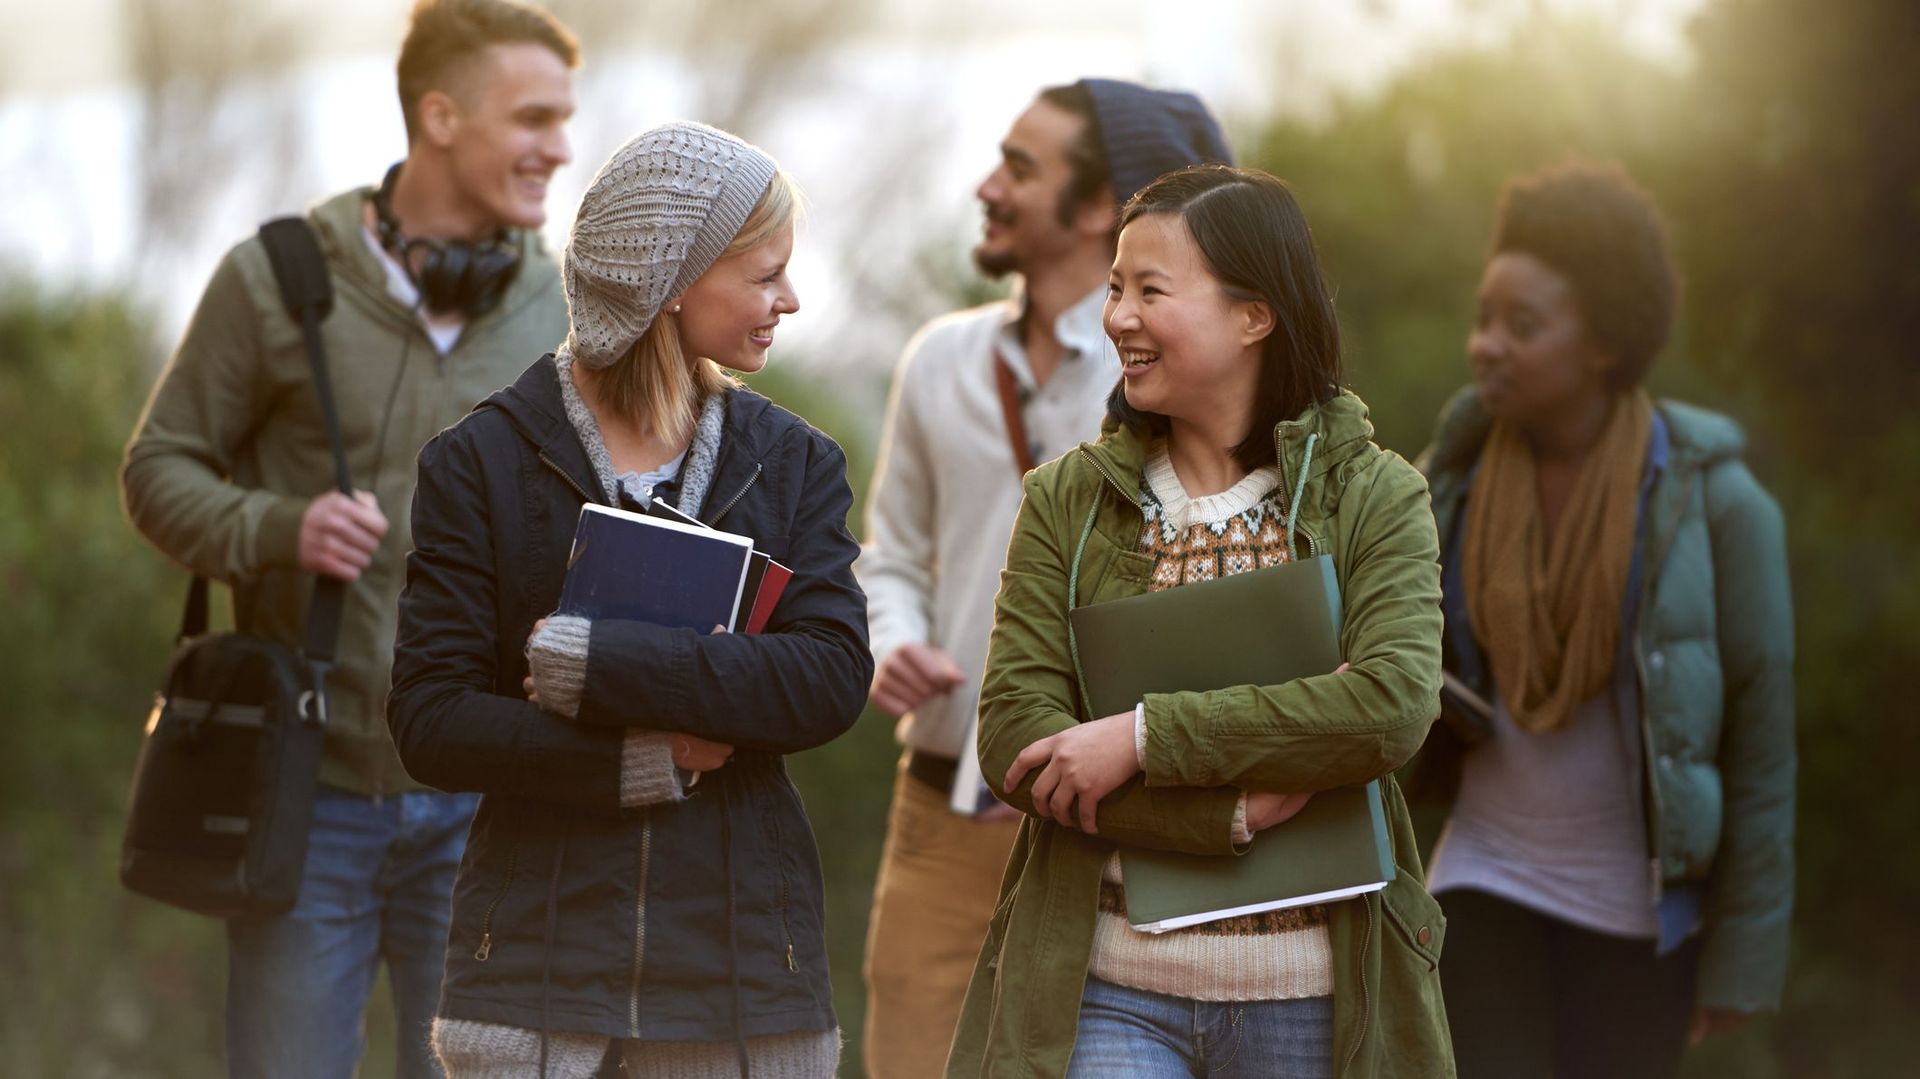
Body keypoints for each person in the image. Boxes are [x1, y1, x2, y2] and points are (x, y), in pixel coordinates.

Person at [119, 2, 578, 1074]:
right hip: (305, 798)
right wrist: (279, 527)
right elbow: (157, 469)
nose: (561, 146)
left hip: (489, 806)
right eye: (534, 117)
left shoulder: (563, 309)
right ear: (441, 115)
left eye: (566, 118)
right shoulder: (275, 280)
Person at [386, 121, 871, 1079]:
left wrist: (599, 663)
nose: (791, 299)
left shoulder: (796, 463)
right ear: (675, 281)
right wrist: (637, 759)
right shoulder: (479, 464)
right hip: (532, 973)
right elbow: (432, 718)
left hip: (735, 980)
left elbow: (828, 679)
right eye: (766, 274)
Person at [948, 165, 1452, 1078]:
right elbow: (1020, 736)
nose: (1116, 319)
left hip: (1315, 1002)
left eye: (1150, 290)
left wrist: (1140, 738)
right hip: (1106, 990)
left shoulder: (1378, 495)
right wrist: (1227, 813)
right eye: (1114, 288)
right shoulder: (1066, 499)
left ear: (1253, 315)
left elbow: (1389, 706)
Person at [858, 78, 1231, 1078]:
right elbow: (890, 553)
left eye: (1021, 168)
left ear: (1107, 204)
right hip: (939, 813)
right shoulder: (941, 360)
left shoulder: (1176, 385)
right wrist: (890, 639)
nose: (988, 186)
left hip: (1109, 830)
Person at [1408, 161, 1795, 1078]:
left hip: (1636, 915)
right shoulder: (1447, 483)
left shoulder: (1722, 509)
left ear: (1605, 344)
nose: (1487, 345)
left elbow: (1761, 745)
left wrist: (1744, 952)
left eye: (1524, 326)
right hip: (1483, 877)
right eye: (1484, 318)